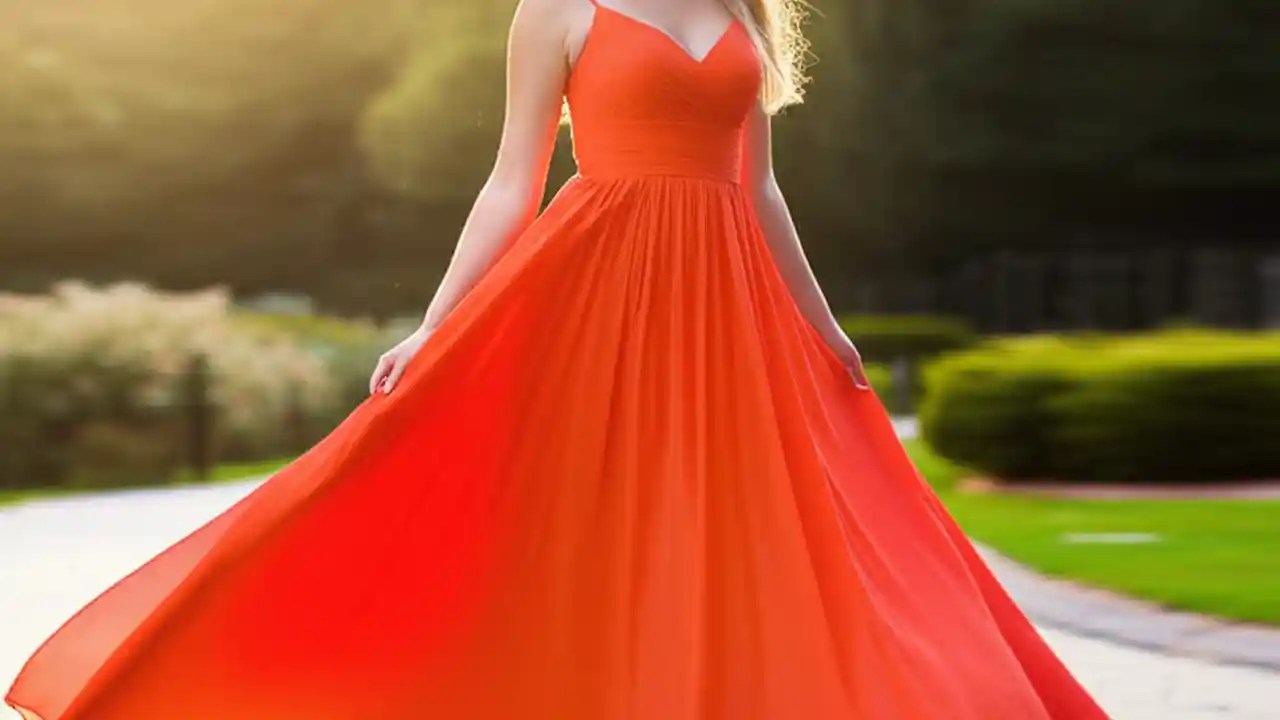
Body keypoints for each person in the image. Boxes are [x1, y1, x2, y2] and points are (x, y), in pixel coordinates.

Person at [6, 0, 1110, 717]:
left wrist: (824, 327)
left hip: (724, 291)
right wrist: (438, 323)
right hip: (596, 283)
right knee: (566, 501)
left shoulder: (744, 13)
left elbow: (760, 186)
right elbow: (509, 182)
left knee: (748, 510)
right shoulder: (555, 10)